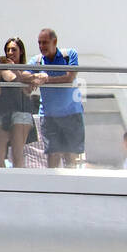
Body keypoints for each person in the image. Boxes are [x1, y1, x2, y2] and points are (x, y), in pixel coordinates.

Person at [30, 28, 84, 168]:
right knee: (53, 155)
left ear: (55, 42)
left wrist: (46, 79)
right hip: (49, 116)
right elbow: (24, 74)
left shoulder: (69, 54)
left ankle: (71, 188)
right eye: (39, 43)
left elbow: (70, 77)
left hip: (71, 113)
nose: (41, 46)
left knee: (70, 156)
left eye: (45, 42)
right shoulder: (36, 61)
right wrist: (35, 76)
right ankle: (53, 188)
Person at [0, 36, 35, 169]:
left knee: (17, 153)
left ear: (21, 52)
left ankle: (18, 185)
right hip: (2, 111)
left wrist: (15, 70)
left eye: (13, 50)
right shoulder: (2, 68)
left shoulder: (26, 70)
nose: (10, 53)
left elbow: (28, 90)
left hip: (21, 111)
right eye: (7, 50)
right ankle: (1, 185)